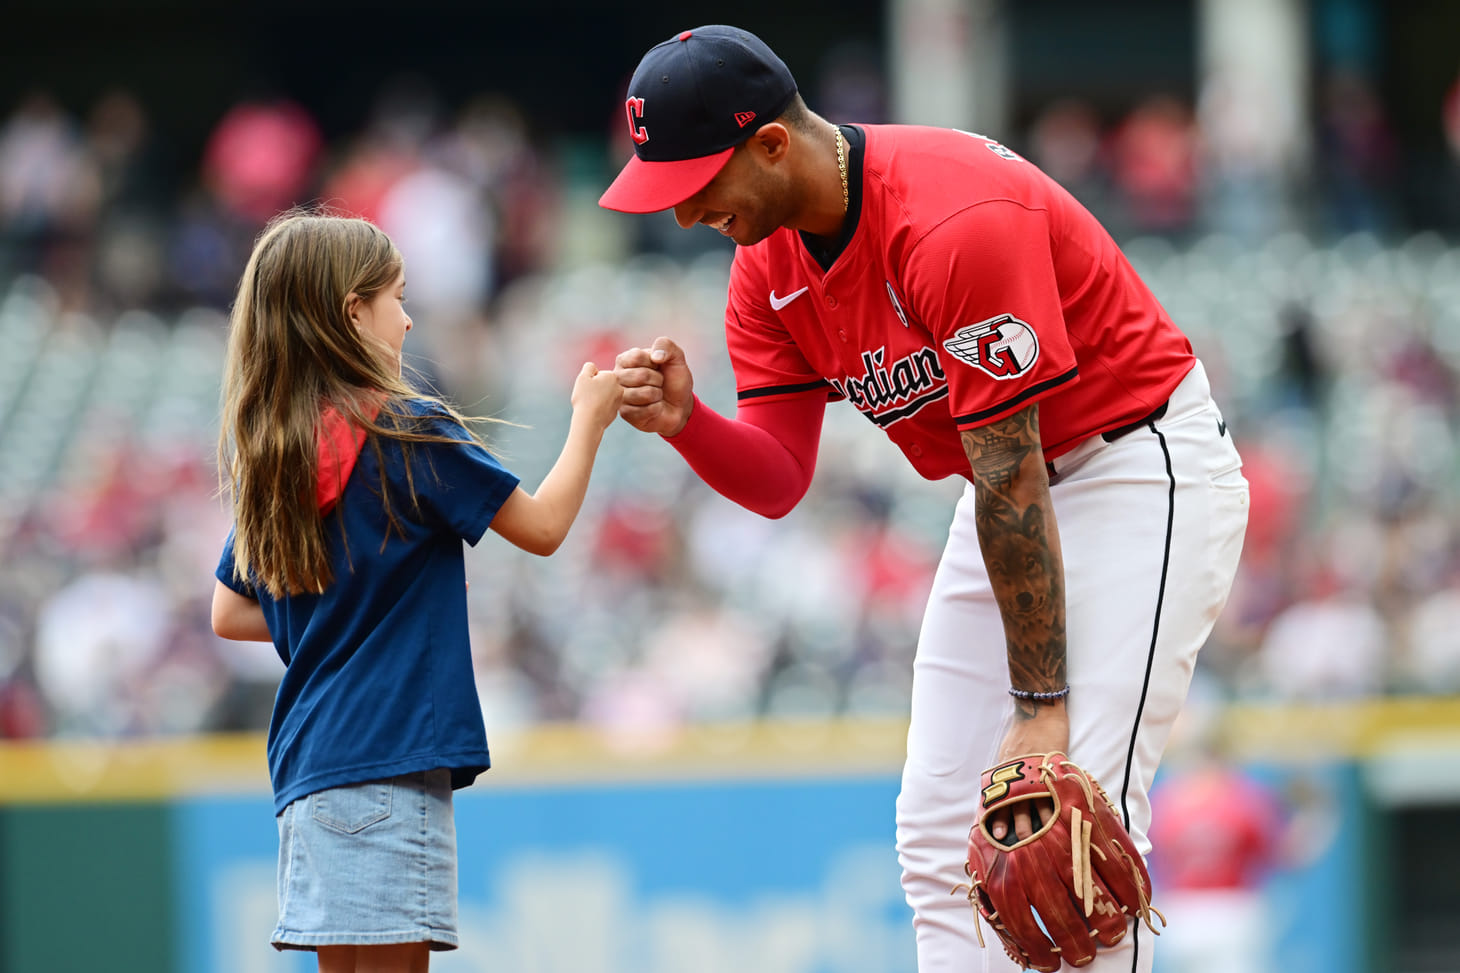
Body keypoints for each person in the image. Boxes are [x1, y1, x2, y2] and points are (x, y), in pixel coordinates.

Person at [601, 25, 1249, 973]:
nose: (686, 212)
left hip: (1134, 466)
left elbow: (1010, 467)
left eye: (698, 181)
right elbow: (780, 480)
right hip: (1006, 490)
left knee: (1063, 827)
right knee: (940, 834)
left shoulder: (949, 217)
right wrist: (688, 421)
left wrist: (1040, 705)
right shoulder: (768, 267)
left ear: (774, 144)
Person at [210, 209, 622, 972]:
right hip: (389, 758)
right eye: (396, 297)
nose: (406, 319)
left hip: (308, 767)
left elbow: (230, 610)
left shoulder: (278, 445)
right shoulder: (407, 427)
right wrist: (589, 420)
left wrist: (339, 604)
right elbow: (543, 527)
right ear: (351, 312)